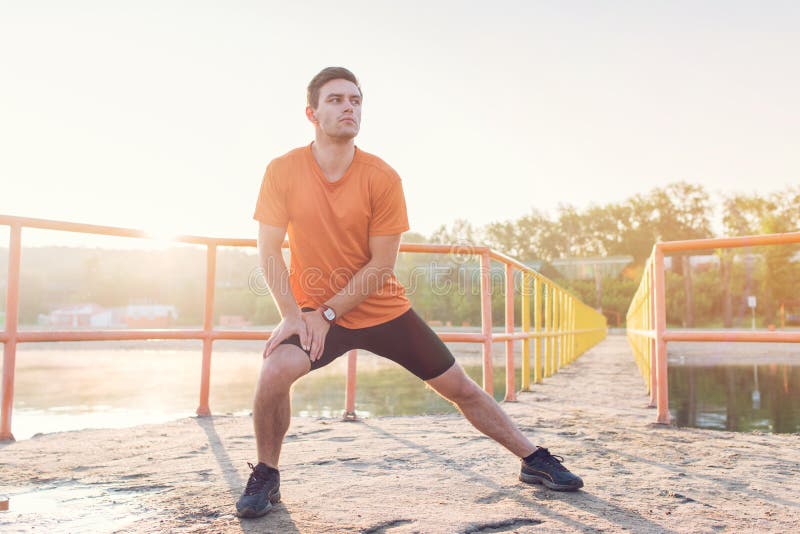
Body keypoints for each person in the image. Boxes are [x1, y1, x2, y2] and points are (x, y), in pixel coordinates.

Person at [236, 67, 583, 518]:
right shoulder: (282, 170)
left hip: (380, 309)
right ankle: (267, 475)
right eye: (337, 100)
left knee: (458, 386)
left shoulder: (381, 176)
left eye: (356, 100)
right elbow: (268, 250)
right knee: (273, 370)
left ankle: (534, 460)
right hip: (312, 310)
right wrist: (293, 315)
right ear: (312, 113)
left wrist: (328, 313)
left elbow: (381, 266)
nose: (349, 107)